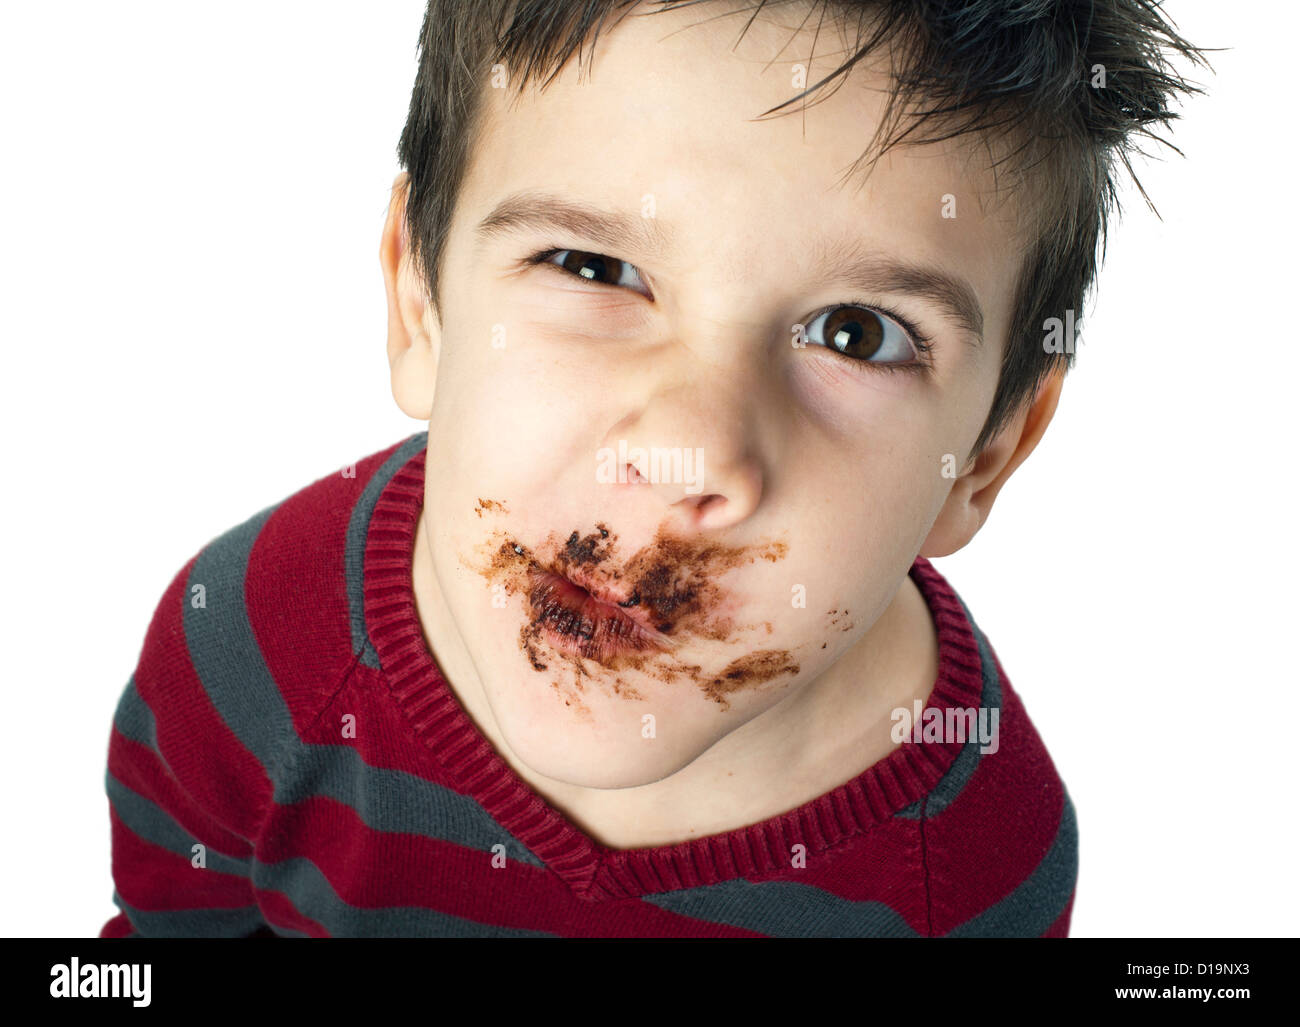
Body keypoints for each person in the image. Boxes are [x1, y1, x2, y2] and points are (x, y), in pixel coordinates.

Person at [100, 0, 1208, 937]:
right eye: (593, 266)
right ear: (418, 302)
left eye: (857, 333)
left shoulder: (979, 856)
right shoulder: (253, 639)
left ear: (990, 455)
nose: (689, 453)